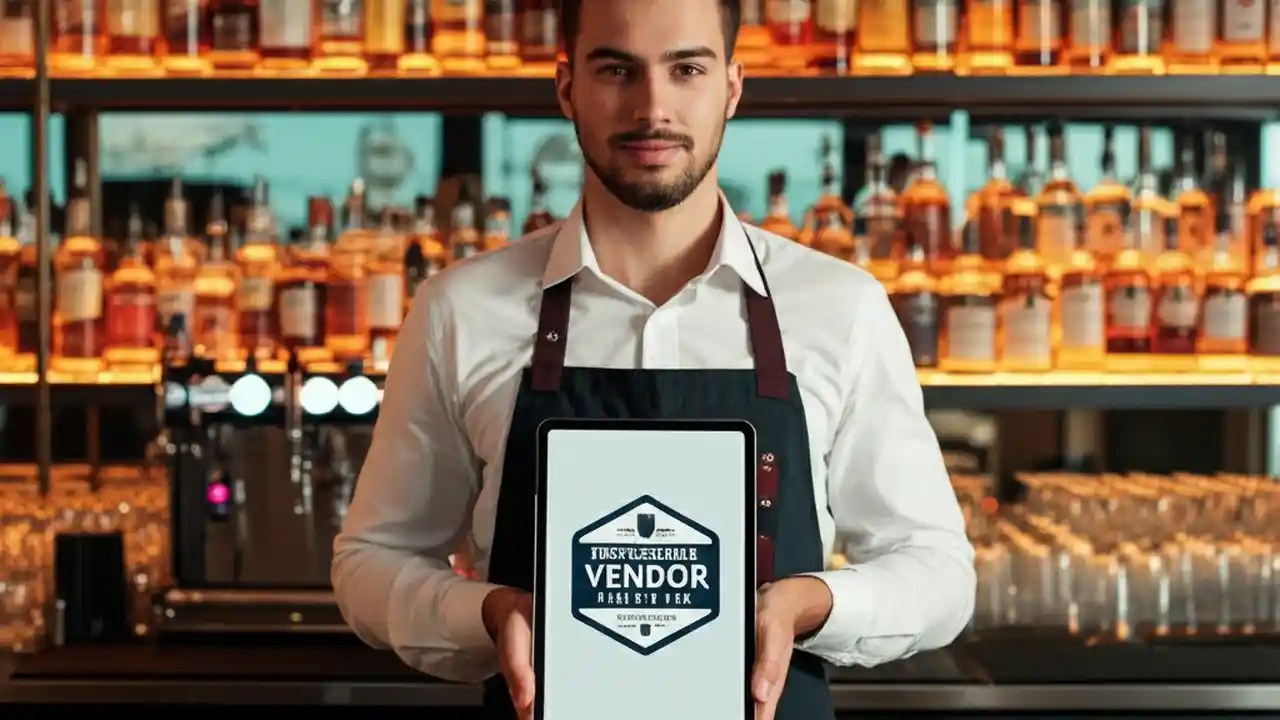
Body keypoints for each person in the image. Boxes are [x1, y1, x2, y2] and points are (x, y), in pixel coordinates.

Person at [331, 1, 976, 718]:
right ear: (566, 85)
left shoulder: (840, 307)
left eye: (687, 69)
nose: (652, 107)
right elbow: (370, 563)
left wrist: (813, 603)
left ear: (732, 86)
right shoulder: (460, 309)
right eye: (616, 70)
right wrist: (486, 613)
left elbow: (939, 573)